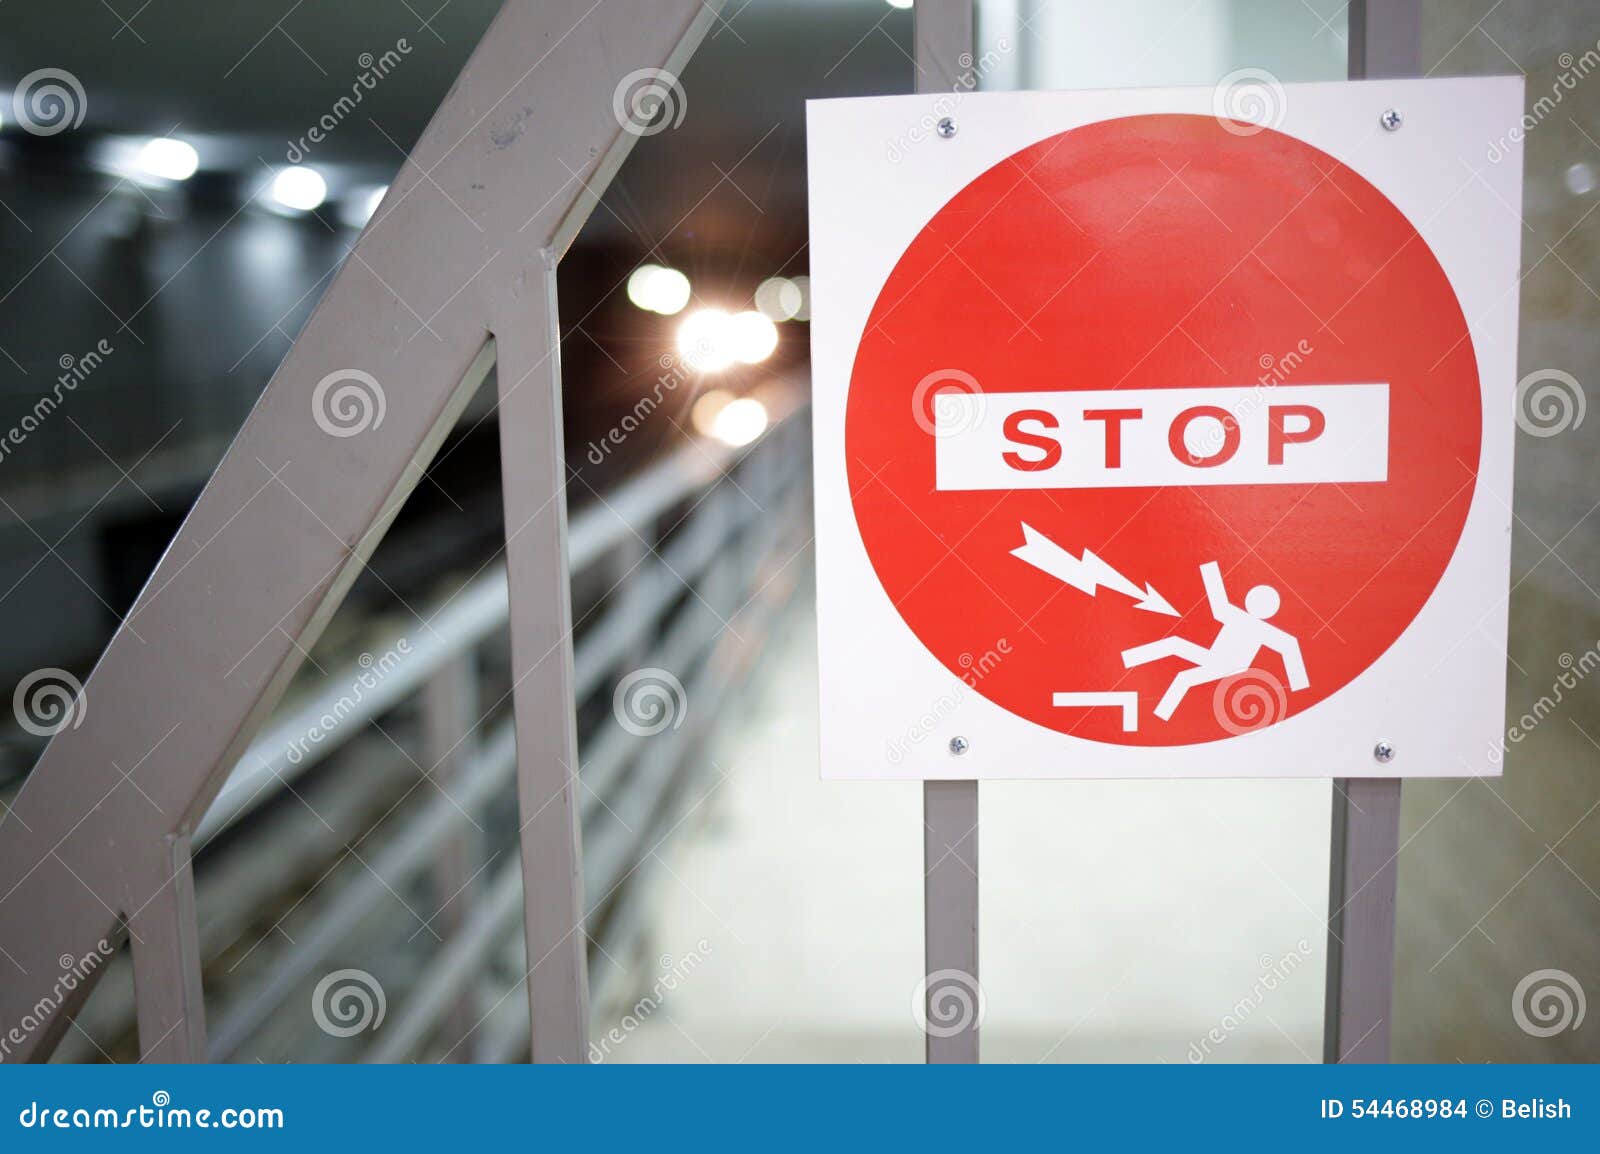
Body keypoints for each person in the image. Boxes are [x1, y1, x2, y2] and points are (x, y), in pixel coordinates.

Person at [1121, 562, 1309, 721]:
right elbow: (1219, 607)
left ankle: (1159, 716)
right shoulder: (1239, 616)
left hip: (1227, 665)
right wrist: (1209, 571)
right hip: (1214, 657)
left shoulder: (1262, 629)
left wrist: (1299, 685)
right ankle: (1126, 661)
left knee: (1183, 676)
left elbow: (1288, 646)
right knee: (1176, 649)